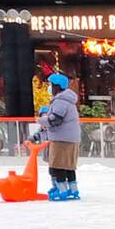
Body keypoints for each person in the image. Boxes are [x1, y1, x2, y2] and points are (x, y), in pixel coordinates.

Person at [42, 73, 81, 201]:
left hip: (61, 138)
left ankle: (62, 189)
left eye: (51, 85)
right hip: (70, 138)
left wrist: (42, 121)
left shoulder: (60, 101)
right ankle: (72, 188)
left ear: (57, 86)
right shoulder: (68, 100)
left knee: (58, 165)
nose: (49, 88)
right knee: (68, 165)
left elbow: (55, 119)